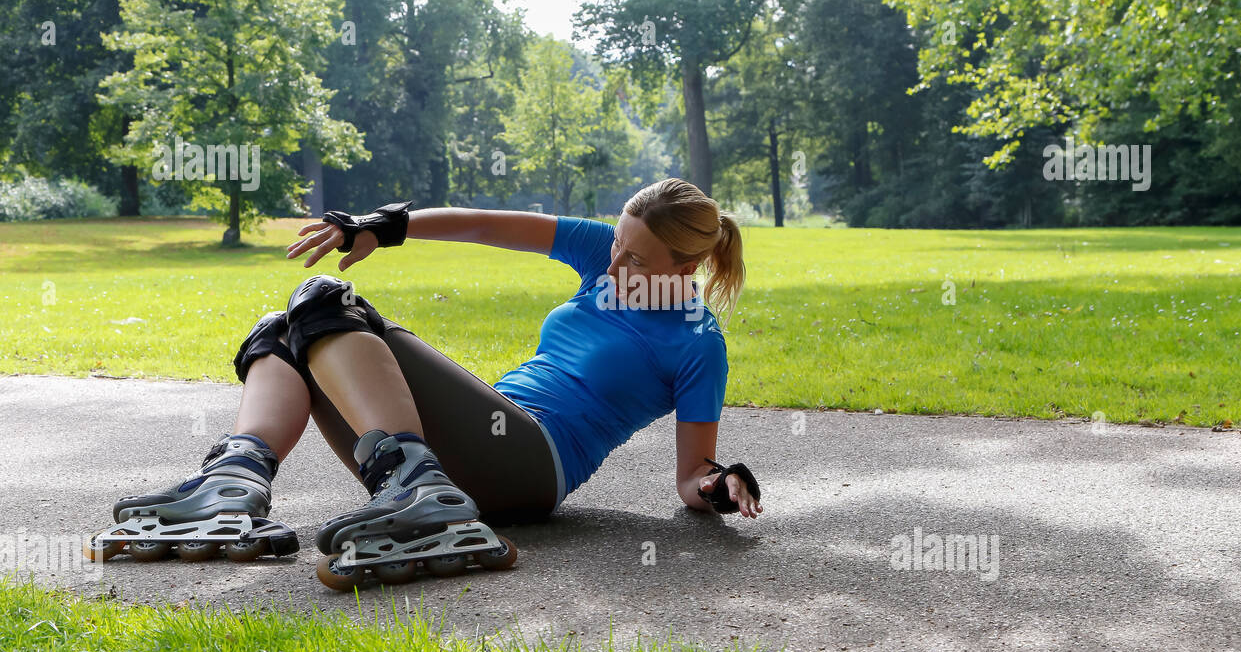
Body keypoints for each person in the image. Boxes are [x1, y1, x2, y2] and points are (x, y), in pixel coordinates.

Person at [87, 178, 762, 588]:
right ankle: (233, 480)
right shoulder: (603, 254)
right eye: (615, 243)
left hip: (531, 464)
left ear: (686, 266)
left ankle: (418, 486)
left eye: (636, 259)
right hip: (484, 431)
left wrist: (718, 485)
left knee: (323, 303)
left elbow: (690, 475)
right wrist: (387, 225)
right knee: (284, 325)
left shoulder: (697, 344)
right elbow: (478, 225)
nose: (614, 262)